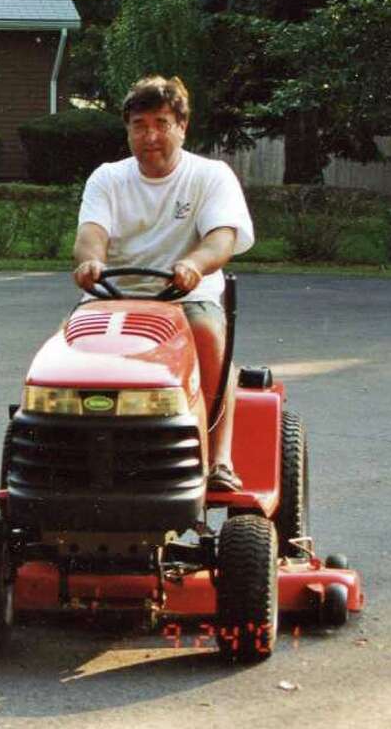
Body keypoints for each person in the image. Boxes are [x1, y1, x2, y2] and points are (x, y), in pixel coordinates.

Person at [72, 75, 254, 492]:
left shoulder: (210, 176)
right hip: (113, 294)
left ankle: (217, 459)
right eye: (140, 125)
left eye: (161, 123)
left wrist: (195, 263)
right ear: (128, 129)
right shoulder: (108, 179)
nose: (150, 135)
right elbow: (91, 235)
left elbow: (222, 237)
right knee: (69, 355)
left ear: (182, 127)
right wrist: (90, 262)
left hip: (186, 294)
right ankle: (77, 459)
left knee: (208, 335)